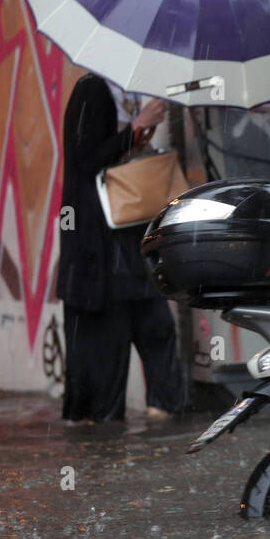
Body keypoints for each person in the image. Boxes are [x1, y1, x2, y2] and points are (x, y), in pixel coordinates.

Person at [57, 73, 187, 422]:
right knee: (105, 357)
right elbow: (86, 160)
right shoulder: (93, 91)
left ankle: (165, 417)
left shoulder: (121, 95)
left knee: (157, 329)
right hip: (98, 252)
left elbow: (112, 160)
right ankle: (104, 436)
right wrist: (136, 127)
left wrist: (137, 134)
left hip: (126, 244)